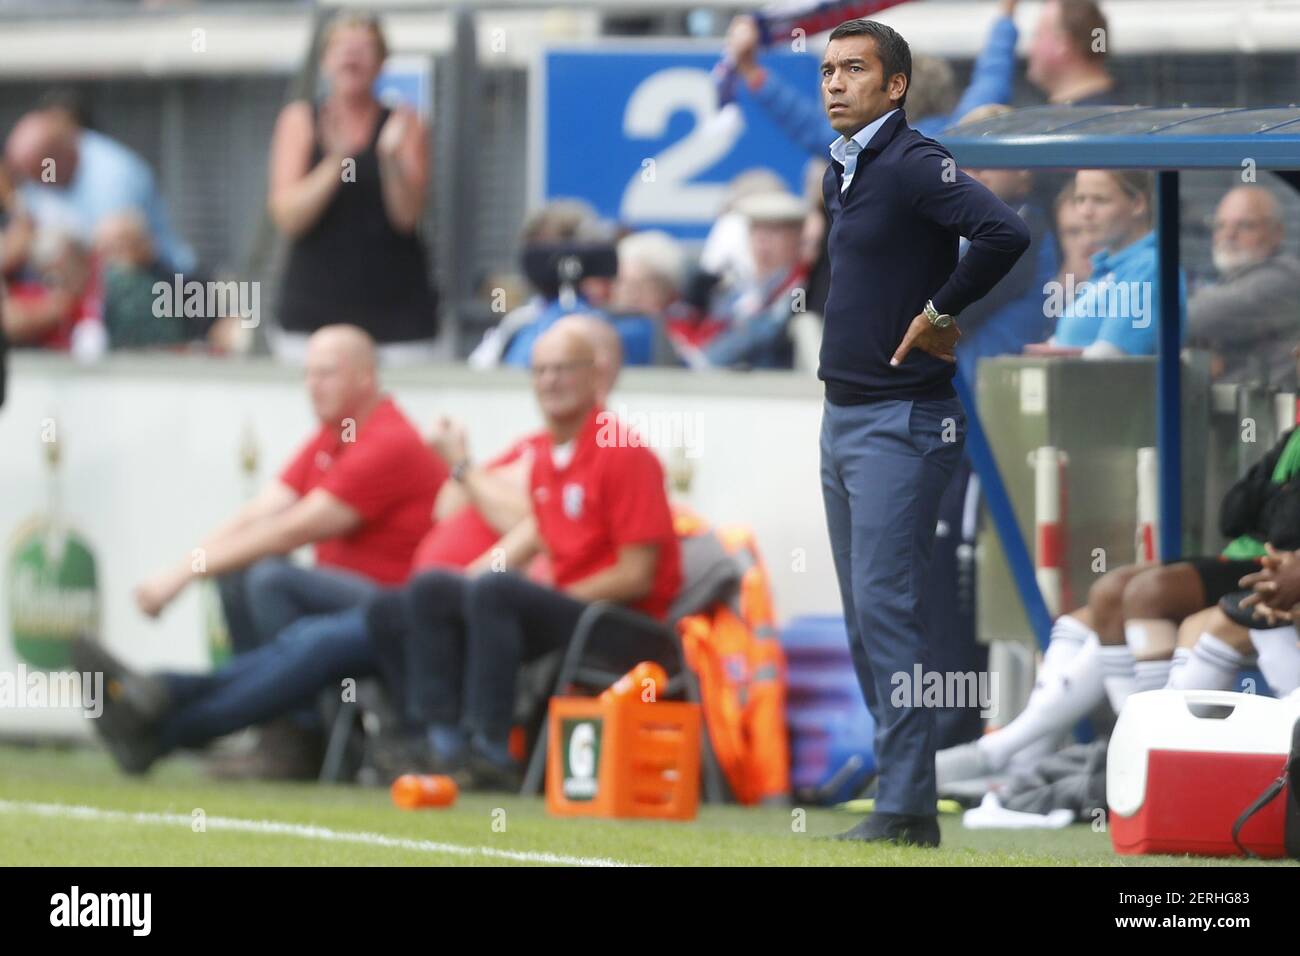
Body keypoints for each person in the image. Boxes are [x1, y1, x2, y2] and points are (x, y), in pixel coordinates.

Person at [75, 316, 626, 779]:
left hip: (432, 610)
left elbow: (537, 525)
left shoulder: (601, 456)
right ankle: (231, 724)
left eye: (326, 373)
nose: (312, 385)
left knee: (284, 600)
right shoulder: (534, 453)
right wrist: (184, 568)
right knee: (263, 594)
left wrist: (467, 472)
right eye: (542, 369)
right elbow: (448, 506)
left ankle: (176, 705)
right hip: (423, 603)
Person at [816, 18, 1029, 846]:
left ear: (895, 86)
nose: (835, 82)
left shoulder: (913, 162)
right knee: (865, 618)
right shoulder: (849, 168)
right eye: (828, 70)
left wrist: (943, 310)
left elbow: (1006, 230)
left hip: (903, 423)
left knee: (889, 612)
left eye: (854, 70)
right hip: (845, 419)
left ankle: (907, 805)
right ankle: (899, 785)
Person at [372, 322, 681, 790]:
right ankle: (440, 742)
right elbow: (472, 517)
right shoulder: (544, 459)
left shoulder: (624, 453)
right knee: (434, 588)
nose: (550, 381)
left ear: (595, 376)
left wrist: (546, 596)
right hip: (573, 612)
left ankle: (491, 749)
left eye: (563, 370)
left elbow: (638, 575)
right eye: (540, 371)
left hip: (625, 627)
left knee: (498, 590)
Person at [268, 10, 439, 364]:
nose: (352, 56)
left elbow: (407, 218)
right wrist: (338, 160)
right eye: (342, 47)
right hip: (312, 314)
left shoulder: (405, 123)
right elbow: (288, 217)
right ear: (325, 60)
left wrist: (388, 159)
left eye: (363, 48)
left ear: (382, 62)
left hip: (396, 317)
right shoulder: (301, 121)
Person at [722, 0, 1020, 157]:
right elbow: (991, 78)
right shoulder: (966, 134)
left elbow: (810, 127)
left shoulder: (869, 151)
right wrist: (1007, 11)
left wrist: (752, 71)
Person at [4, 105, 195, 275]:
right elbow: (27, 226)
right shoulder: (46, 172)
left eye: (36, 172)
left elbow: (115, 257)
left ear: (55, 157)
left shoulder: (114, 176)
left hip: (161, 285)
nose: (34, 182)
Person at [1033, 169, 1185, 358]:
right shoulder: (1105, 269)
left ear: (1138, 204)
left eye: (1100, 200)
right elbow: (1070, 340)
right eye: (1080, 199)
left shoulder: (1149, 267)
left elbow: (1110, 357)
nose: (1086, 212)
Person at [1187, 185, 1300, 386]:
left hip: (1267, 413)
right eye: (1220, 225)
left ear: (1277, 232)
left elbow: (1192, 316)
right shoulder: (1228, 281)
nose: (1229, 234)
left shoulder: (1286, 278)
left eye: (1245, 225)